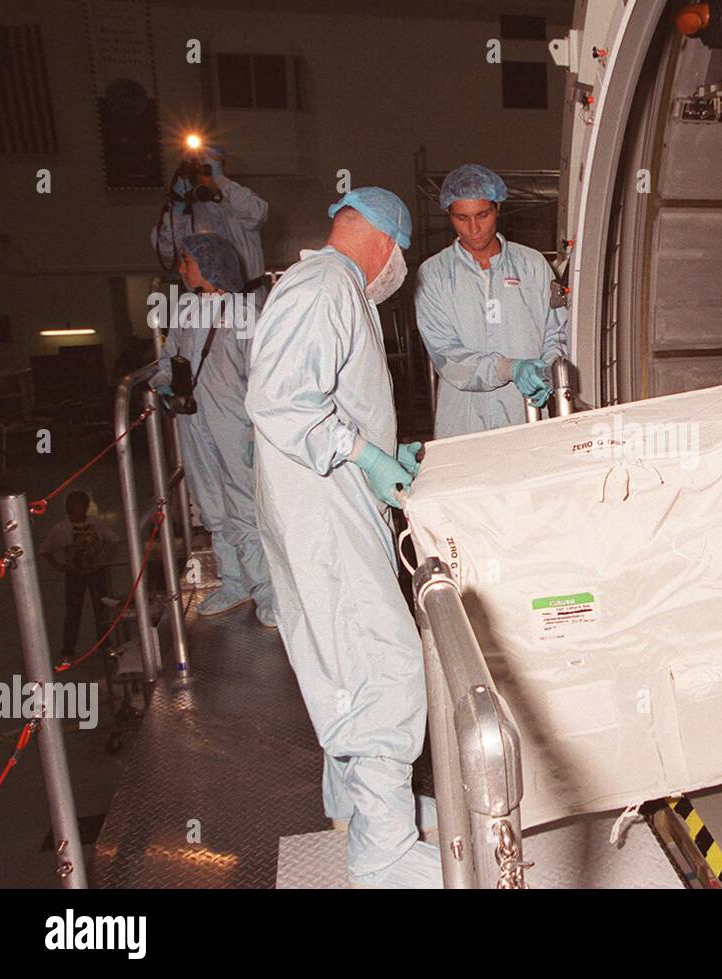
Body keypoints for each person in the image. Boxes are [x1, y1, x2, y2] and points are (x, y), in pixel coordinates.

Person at [245, 187, 440, 888]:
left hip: (326, 503)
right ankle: (383, 846)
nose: (398, 271)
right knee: (382, 661)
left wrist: (386, 447)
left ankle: (364, 808)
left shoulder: (325, 290)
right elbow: (281, 398)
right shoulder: (326, 285)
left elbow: (332, 398)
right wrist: (364, 453)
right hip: (323, 508)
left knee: (342, 664)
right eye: (402, 256)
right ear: (385, 243)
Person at [151, 231, 277, 627]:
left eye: (187, 261)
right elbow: (167, 361)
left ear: (208, 265)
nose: (182, 269)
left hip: (235, 425)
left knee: (245, 507)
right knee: (211, 505)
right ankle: (234, 582)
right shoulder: (185, 311)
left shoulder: (245, 312)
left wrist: (259, 431)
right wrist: (166, 383)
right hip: (194, 423)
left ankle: (268, 593)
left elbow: (262, 374)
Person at [414, 163, 567, 438]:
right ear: (449, 215)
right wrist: (509, 368)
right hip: (463, 420)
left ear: (498, 208)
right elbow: (445, 353)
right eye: (462, 218)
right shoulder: (433, 274)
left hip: (525, 412)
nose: (473, 228)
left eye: (482, 215)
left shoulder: (533, 265)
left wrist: (544, 372)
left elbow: (556, 332)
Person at [151, 143, 268, 300]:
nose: (200, 174)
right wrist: (177, 208)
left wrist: (220, 182)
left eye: (205, 167)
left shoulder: (235, 201)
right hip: (205, 304)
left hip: (248, 299)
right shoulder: (185, 214)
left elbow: (258, 214)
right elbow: (166, 248)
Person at [39, 491, 118, 664]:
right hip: (74, 574)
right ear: (68, 509)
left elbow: (113, 540)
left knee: (101, 608)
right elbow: (45, 550)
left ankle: (104, 643)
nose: (79, 510)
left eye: (81, 505)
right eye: (75, 506)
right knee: (73, 612)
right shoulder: (61, 529)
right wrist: (59, 566)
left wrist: (105, 560)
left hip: (96, 571)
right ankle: (68, 649)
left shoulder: (96, 523)